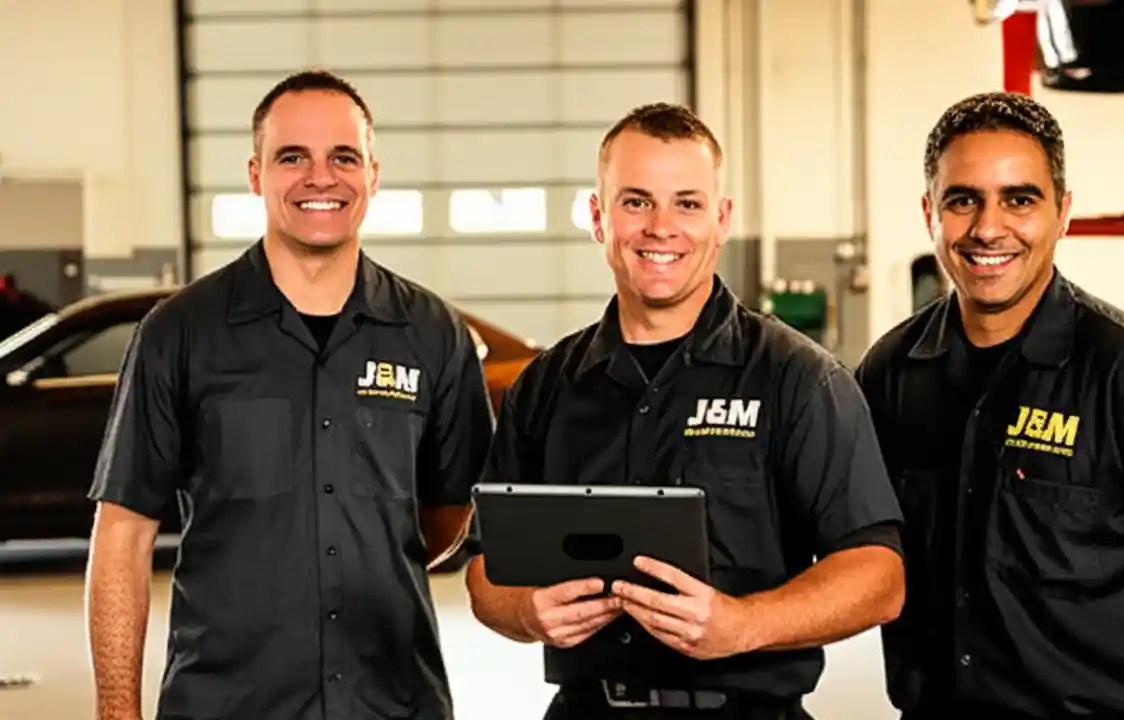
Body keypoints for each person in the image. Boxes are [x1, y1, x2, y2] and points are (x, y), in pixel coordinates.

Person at [463, 102, 907, 719]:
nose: (660, 227)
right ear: (599, 217)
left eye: (688, 203)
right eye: (636, 201)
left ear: (721, 219)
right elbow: (487, 571)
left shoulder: (797, 378)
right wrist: (524, 611)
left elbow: (878, 576)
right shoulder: (547, 387)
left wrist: (744, 623)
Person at [855, 91, 1124, 719]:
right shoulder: (891, 371)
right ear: (929, 213)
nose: (988, 228)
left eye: (1019, 199)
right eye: (962, 199)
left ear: (1063, 213)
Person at [84, 70, 493, 720]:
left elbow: (450, 514)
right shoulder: (180, 332)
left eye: (344, 157)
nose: (320, 177)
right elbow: (123, 536)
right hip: (225, 703)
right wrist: (115, 712)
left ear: (374, 174)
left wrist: (372, 546)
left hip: (393, 702)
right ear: (255, 173)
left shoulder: (433, 334)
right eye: (292, 156)